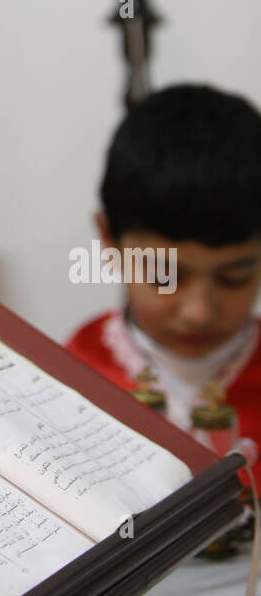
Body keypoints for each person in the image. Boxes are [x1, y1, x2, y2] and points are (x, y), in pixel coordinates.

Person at [65, 84, 261, 484]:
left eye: (234, 277)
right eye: (162, 275)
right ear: (108, 238)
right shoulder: (68, 378)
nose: (198, 312)